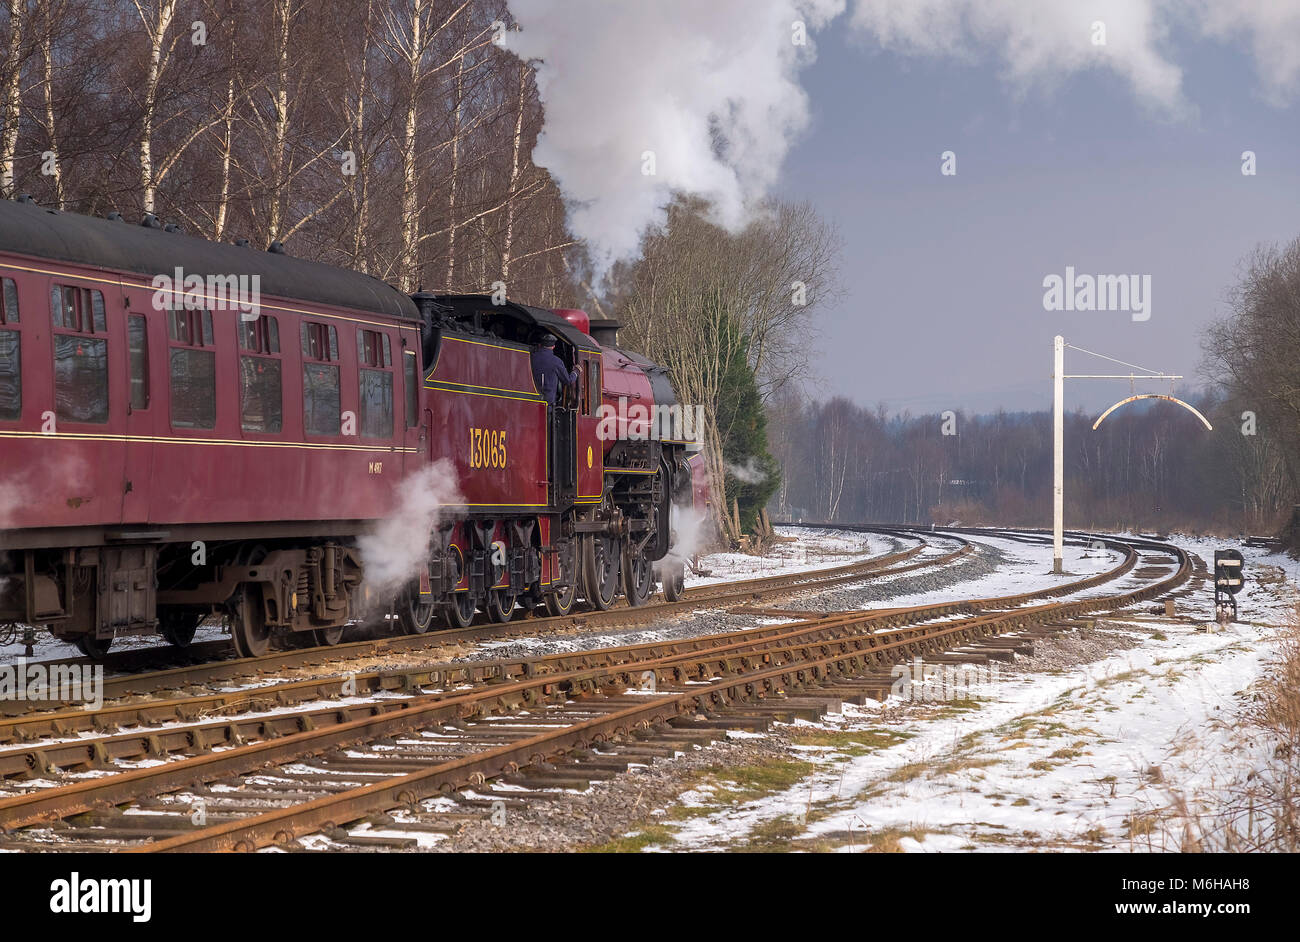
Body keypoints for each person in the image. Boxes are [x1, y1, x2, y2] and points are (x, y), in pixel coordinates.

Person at [531, 334, 578, 406]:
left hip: (530, 400)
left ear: (540, 345)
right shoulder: (556, 361)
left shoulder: (531, 357)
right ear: (553, 347)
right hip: (547, 402)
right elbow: (568, 381)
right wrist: (576, 372)